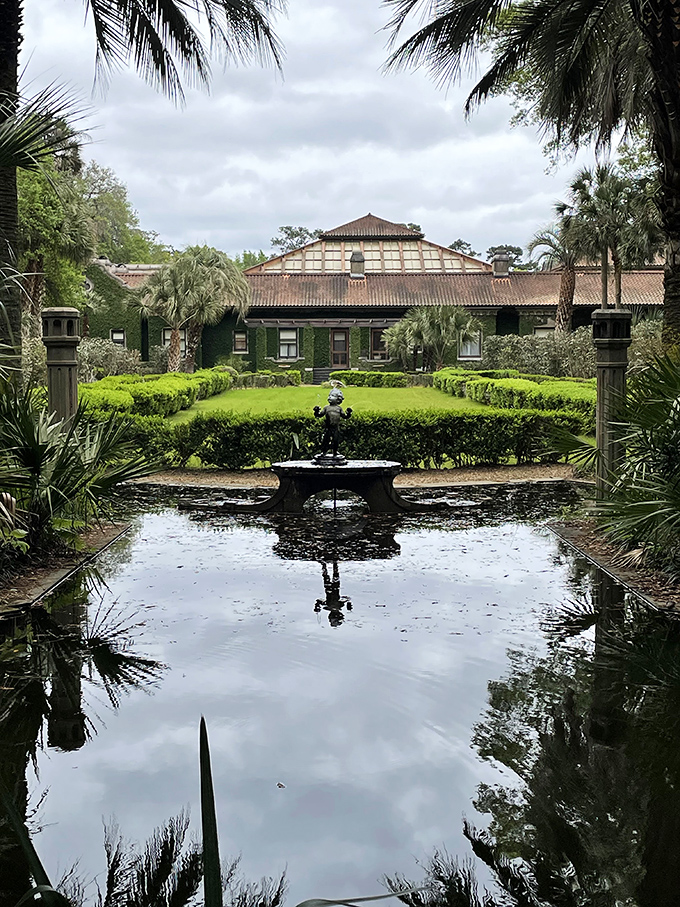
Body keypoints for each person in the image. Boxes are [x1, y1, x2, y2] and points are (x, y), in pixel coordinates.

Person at [313, 388, 352, 458]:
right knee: (325, 440)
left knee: (336, 440)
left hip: (336, 428)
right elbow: (320, 415)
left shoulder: (339, 408)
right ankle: (324, 452)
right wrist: (316, 411)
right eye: (329, 395)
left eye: (333, 396)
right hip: (328, 428)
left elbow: (345, 416)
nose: (330, 397)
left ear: (338, 399)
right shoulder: (326, 408)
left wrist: (348, 413)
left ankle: (335, 452)